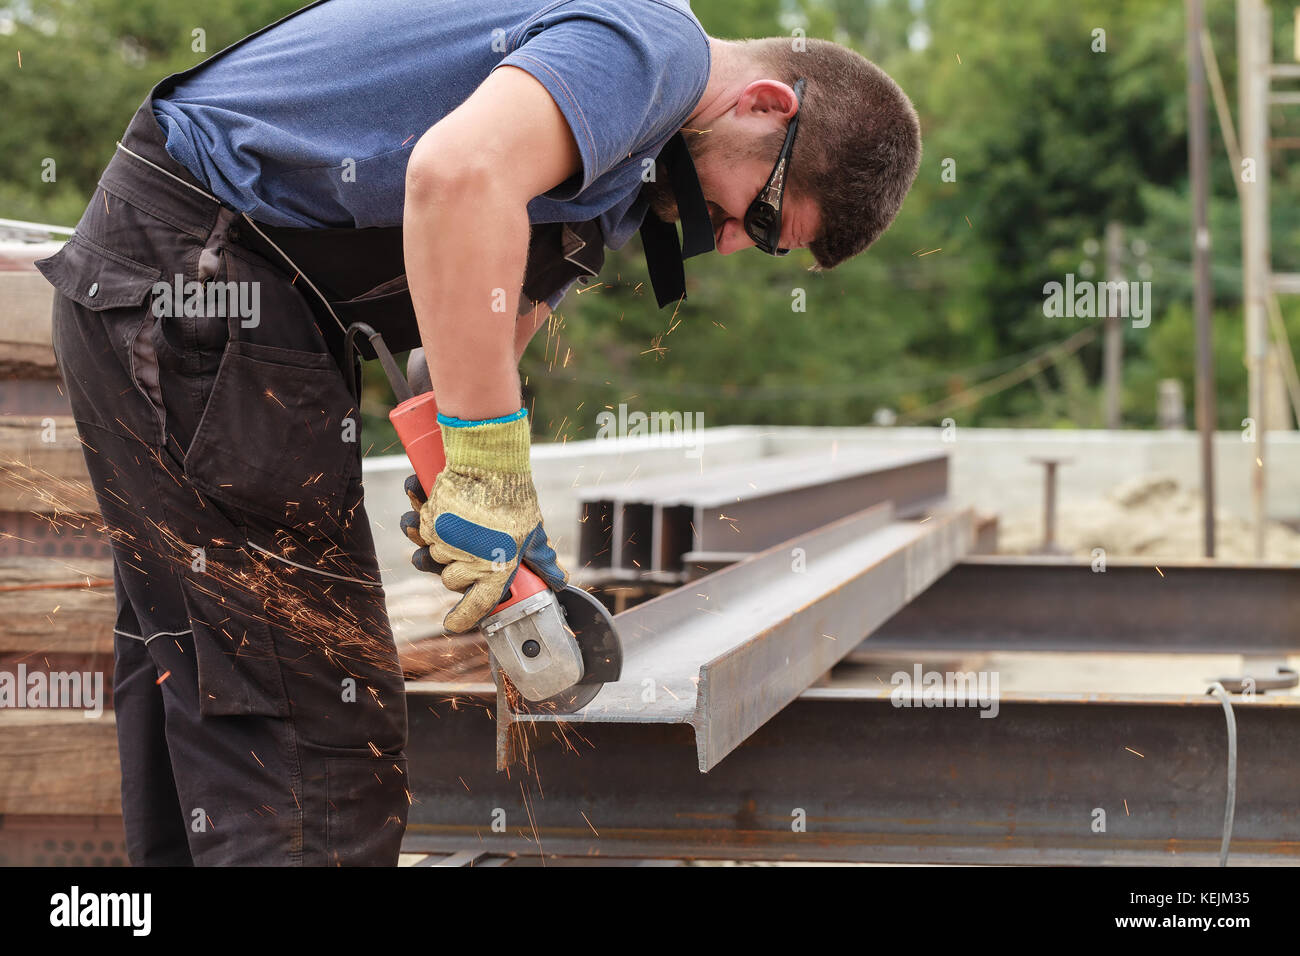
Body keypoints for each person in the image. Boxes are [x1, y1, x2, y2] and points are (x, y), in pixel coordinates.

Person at [36, 0, 920, 866]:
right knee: (313, 722)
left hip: (188, 288)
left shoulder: (609, 171)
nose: (726, 242)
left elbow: (458, 363)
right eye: (760, 215)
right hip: (201, 283)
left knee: (201, 665)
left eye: (759, 247)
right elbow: (454, 176)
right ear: (767, 105)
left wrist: (495, 513)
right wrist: (489, 464)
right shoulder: (651, 46)